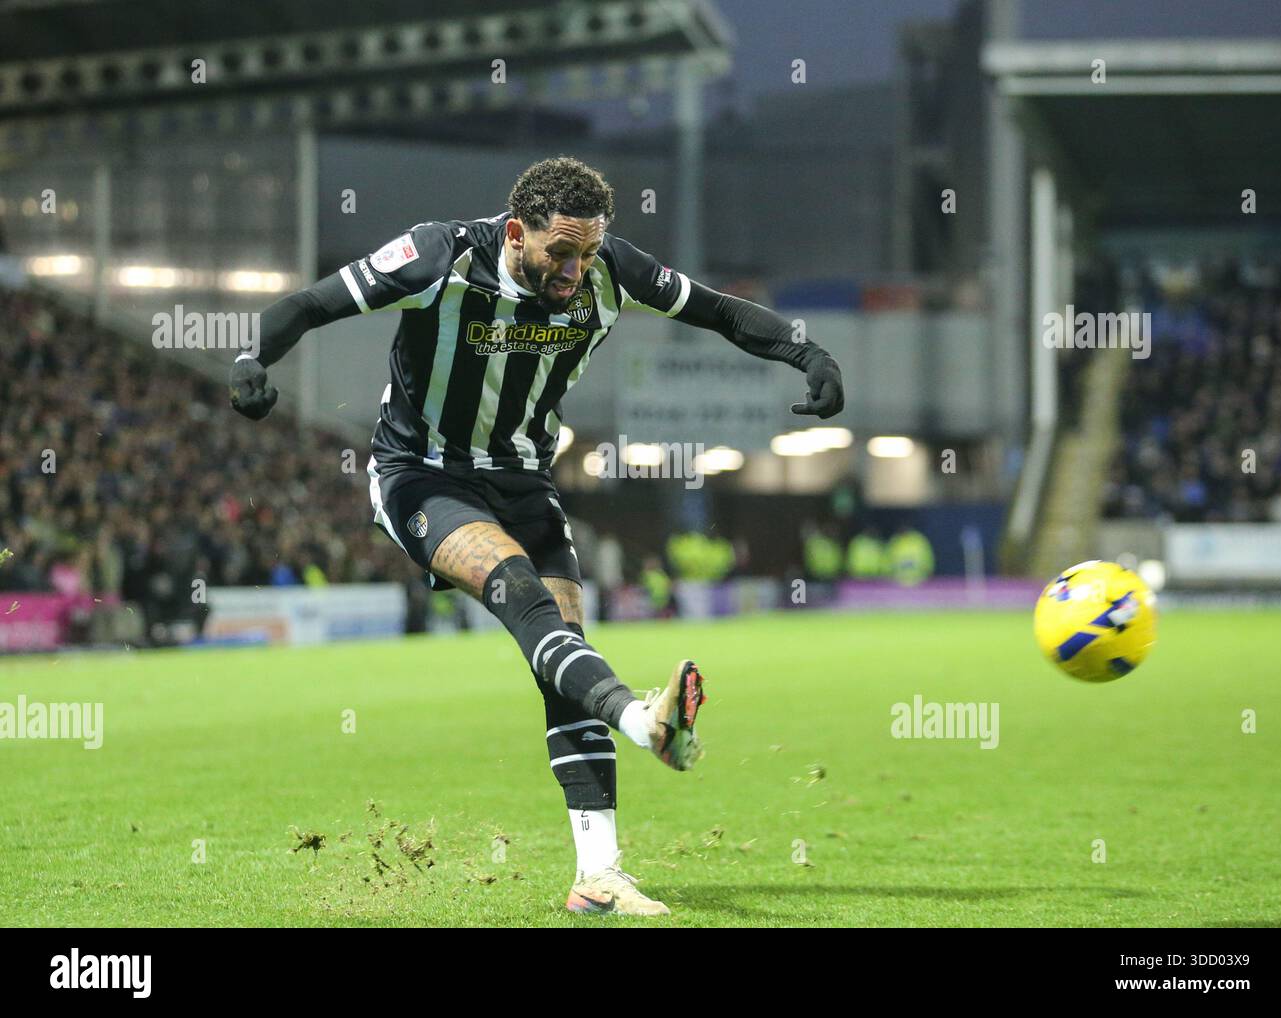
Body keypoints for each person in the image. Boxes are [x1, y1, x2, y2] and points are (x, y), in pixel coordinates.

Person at [229, 156, 844, 915]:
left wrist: (805, 353)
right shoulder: (438, 255)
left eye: (588, 252)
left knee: (562, 660)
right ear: (518, 233)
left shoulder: (611, 270)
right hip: (424, 474)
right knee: (524, 598)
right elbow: (310, 304)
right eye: (562, 252)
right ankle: (643, 722)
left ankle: (599, 876)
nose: (577, 269)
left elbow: (718, 310)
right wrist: (252, 358)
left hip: (525, 480)